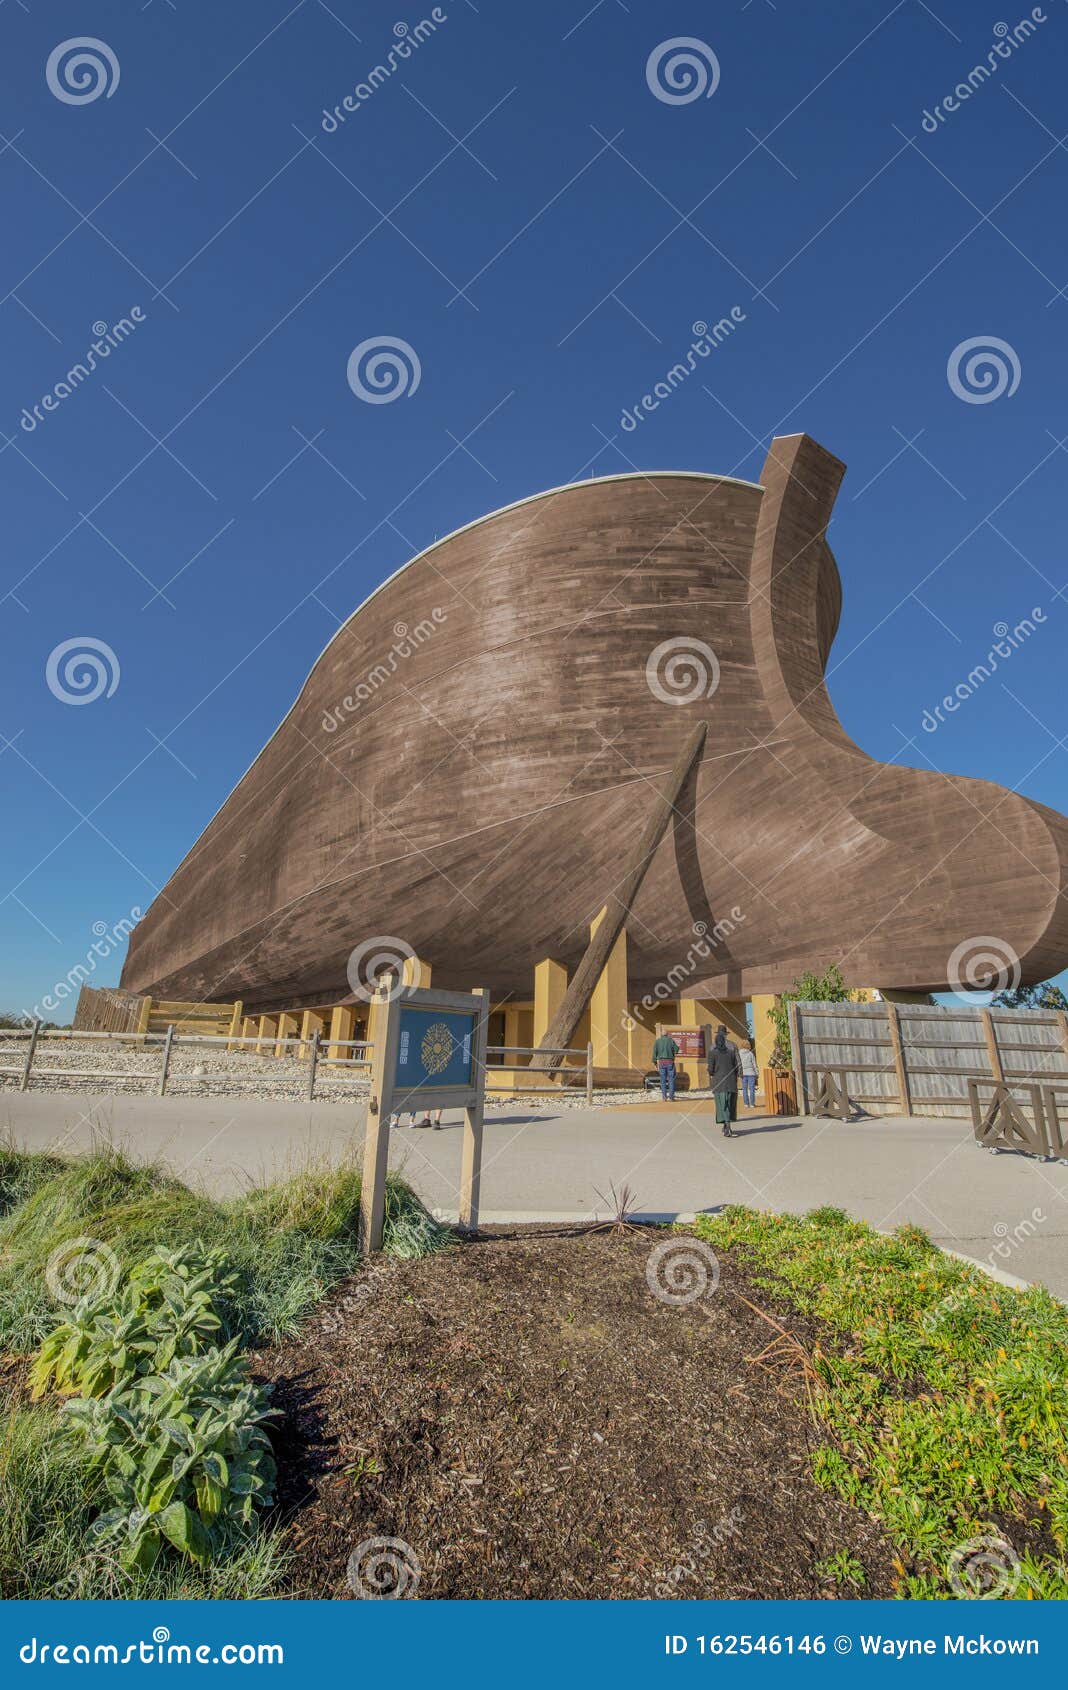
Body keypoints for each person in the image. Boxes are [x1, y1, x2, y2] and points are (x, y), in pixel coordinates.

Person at [707, 1024, 741, 1136]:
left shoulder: (712, 1048)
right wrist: (739, 1074)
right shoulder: (733, 1046)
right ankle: (727, 1125)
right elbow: (738, 1063)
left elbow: (710, 1068)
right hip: (731, 1080)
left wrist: (712, 1074)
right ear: (725, 1034)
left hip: (719, 1081)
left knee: (722, 1104)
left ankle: (726, 1126)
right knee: (729, 1103)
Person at [651, 1029, 680, 1100]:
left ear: (661, 1034)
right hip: (670, 1062)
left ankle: (664, 1096)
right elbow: (676, 1050)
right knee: (671, 1079)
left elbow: (654, 1053)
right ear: (667, 1034)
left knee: (663, 1080)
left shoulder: (657, 1041)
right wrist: (672, 1051)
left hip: (661, 1062)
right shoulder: (671, 1040)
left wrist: (655, 1063)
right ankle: (671, 1097)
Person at [738, 1039, 758, 1109]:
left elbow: (738, 1063)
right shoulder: (750, 1054)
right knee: (752, 1089)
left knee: (744, 1089)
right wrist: (757, 1073)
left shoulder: (739, 1053)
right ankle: (752, 1104)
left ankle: (746, 1103)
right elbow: (754, 1064)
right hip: (751, 1073)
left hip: (743, 1073)